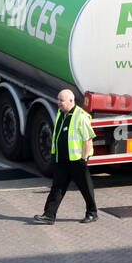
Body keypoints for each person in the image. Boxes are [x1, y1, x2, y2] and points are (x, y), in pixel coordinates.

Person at [34, 89, 98, 225]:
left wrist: (84, 158)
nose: (58, 103)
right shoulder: (61, 114)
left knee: (85, 187)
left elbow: (88, 139)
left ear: (71, 101)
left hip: (76, 161)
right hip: (61, 159)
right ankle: (49, 215)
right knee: (57, 187)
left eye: (61, 100)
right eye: (58, 100)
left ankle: (92, 213)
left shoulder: (81, 116)